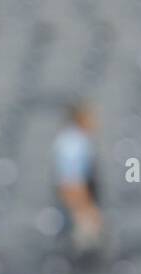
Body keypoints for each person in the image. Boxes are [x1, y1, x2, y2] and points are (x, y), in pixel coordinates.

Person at [53, 101, 104, 255]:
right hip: (78, 203)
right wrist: (85, 211)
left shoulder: (75, 140)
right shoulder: (73, 144)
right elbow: (72, 181)